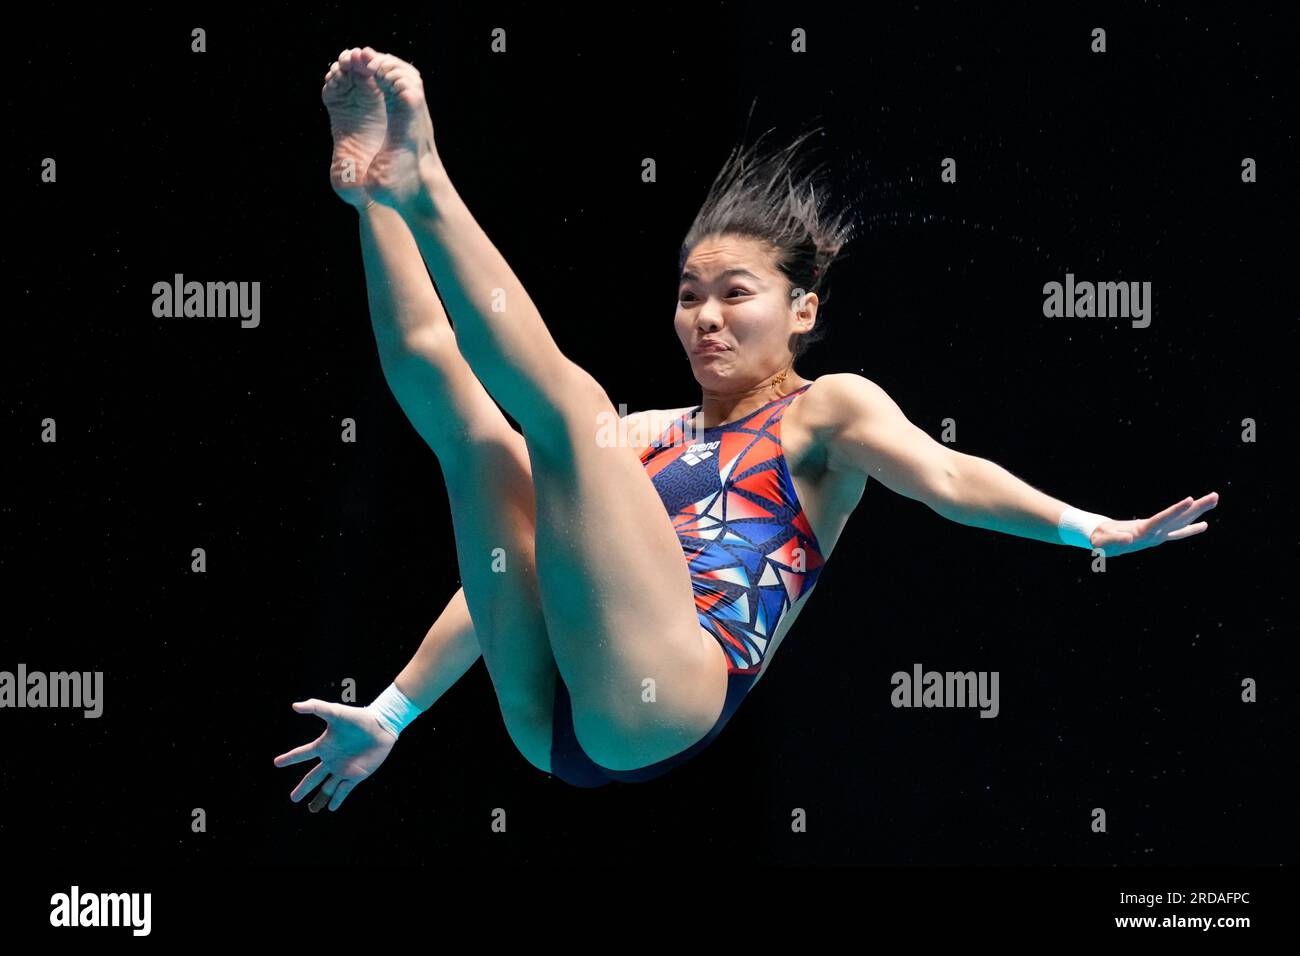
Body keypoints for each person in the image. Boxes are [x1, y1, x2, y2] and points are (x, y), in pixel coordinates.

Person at [274, 46, 1219, 809]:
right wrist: (393, 711)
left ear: (802, 312)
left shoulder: (826, 411)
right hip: (554, 722)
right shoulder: (649, 434)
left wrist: (1089, 526)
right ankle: (377, 196)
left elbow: (951, 477)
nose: (706, 319)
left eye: (736, 294)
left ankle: (428, 181)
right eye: (690, 298)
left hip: (671, 697)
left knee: (571, 413)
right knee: (476, 438)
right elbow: (498, 574)